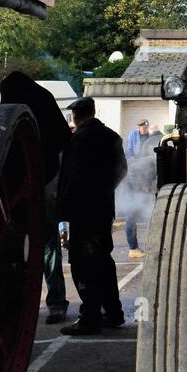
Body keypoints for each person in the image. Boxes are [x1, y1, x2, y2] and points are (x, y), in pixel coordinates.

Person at [0, 71, 72, 325]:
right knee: (46, 248)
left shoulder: (16, 104)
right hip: (38, 182)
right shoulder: (44, 100)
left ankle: (28, 303)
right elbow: (64, 140)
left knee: (34, 248)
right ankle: (54, 304)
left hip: (33, 185)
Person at [58, 96, 128, 335]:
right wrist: (105, 190)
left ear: (76, 115)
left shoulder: (78, 139)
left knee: (81, 262)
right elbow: (122, 170)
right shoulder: (111, 137)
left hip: (82, 210)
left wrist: (63, 208)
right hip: (103, 208)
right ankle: (113, 312)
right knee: (104, 261)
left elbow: (71, 177)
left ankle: (89, 317)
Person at [122, 118, 158, 257]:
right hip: (135, 182)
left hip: (142, 182)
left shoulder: (150, 140)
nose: (144, 129)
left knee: (148, 213)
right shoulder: (133, 137)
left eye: (146, 127)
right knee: (132, 215)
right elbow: (129, 154)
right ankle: (134, 248)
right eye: (142, 127)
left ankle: (147, 246)